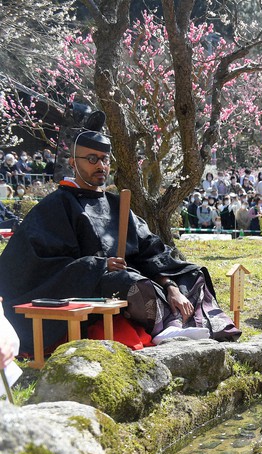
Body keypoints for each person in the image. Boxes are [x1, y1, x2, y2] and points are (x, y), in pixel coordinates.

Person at [0, 127, 241, 355]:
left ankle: (183, 323)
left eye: (105, 159)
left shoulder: (117, 204)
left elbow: (150, 251)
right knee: (131, 282)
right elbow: (33, 262)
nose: (101, 165)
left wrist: (171, 287)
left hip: (136, 279)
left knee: (192, 273)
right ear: (73, 162)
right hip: (90, 285)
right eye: (92, 159)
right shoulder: (55, 206)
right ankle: (165, 328)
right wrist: (98, 266)